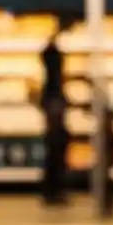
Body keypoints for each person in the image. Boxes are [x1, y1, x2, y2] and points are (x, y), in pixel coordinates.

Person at [37, 21, 71, 205]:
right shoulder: (53, 62)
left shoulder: (50, 65)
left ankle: (52, 190)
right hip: (54, 102)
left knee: (55, 146)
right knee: (56, 147)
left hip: (52, 102)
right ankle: (54, 190)